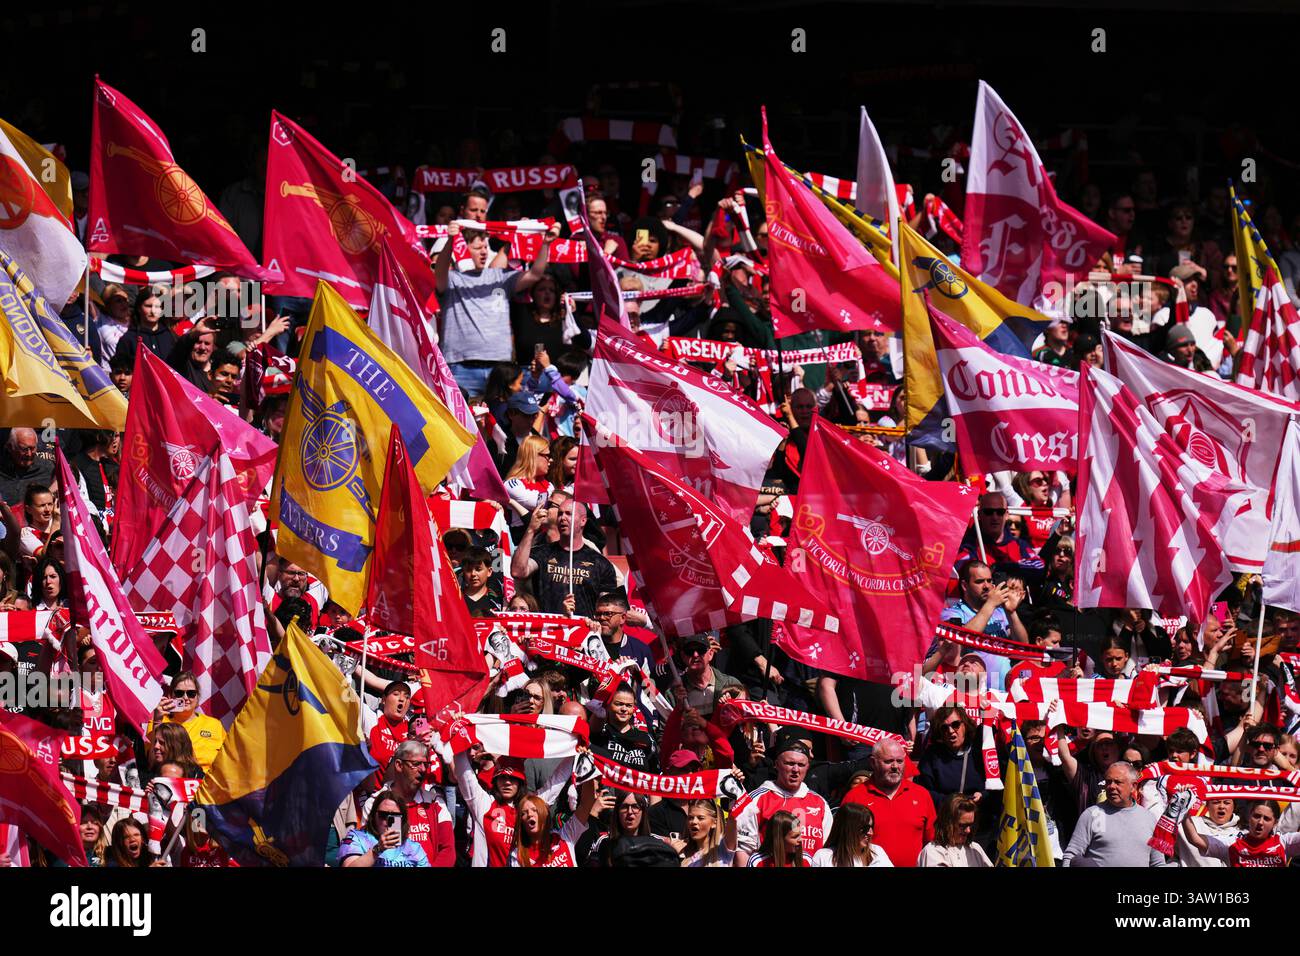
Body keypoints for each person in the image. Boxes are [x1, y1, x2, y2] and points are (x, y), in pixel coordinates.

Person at [435, 220, 560, 398]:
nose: (484, 252)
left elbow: (535, 274)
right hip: (461, 368)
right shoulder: (452, 280)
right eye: (478, 248)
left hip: (500, 368)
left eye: (485, 247)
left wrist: (546, 244)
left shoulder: (500, 277)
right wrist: (450, 240)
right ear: (462, 249)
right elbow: (439, 271)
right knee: (460, 424)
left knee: (501, 423)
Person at [734, 739, 834, 865]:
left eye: (801, 765)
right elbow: (743, 849)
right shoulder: (757, 799)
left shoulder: (820, 803)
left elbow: (827, 852)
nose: (795, 770)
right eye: (789, 763)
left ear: (808, 766)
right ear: (776, 764)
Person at [512, 499, 618, 617]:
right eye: (560, 514)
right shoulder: (543, 552)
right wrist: (531, 530)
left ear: (583, 521)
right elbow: (518, 572)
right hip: (548, 630)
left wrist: (595, 622)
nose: (562, 518)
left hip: (583, 630)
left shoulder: (599, 562)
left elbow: (608, 607)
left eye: (569, 514)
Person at [841, 738, 937, 868]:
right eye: (888, 761)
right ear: (873, 762)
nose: (895, 766)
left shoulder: (921, 795)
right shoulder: (854, 797)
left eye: (900, 761)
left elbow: (931, 843)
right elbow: (843, 845)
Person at [361, 740, 455, 867]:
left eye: (425, 764)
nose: (422, 769)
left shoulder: (435, 803)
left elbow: (448, 850)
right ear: (399, 765)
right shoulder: (375, 803)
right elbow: (363, 848)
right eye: (416, 764)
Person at [941, 560, 1028, 690]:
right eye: (980, 581)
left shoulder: (1000, 612)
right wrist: (991, 604)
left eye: (989, 580)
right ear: (965, 585)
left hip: (1003, 693)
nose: (987, 586)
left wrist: (1011, 612)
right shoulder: (953, 613)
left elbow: (1023, 647)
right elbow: (962, 638)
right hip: (972, 695)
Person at [1061, 762, 1165, 867]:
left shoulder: (1150, 818)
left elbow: (1158, 863)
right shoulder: (1091, 815)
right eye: (1108, 782)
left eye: (1118, 782)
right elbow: (1071, 855)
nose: (1111, 786)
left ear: (1133, 786)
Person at [510, 779, 602, 867]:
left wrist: (588, 773)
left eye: (535, 810)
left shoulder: (565, 836)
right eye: (523, 813)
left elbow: (585, 804)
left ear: (545, 814)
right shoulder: (517, 856)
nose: (530, 814)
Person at [1180, 799, 1300, 867]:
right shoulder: (1232, 843)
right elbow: (1195, 838)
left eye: (1267, 819)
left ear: (1275, 823)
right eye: (1256, 816)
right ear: (1249, 817)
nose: (1260, 822)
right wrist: (1185, 812)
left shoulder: (1284, 842)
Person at [149, 671, 226, 774]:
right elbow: (151, 763)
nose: (185, 698)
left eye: (191, 693)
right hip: (172, 783)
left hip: (208, 785)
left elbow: (227, 760)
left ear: (197, 697)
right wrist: (157, 720)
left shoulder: (215, 725)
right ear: (170, 695)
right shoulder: (159, 721)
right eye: (179, 693)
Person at [340, 790, 430, 868]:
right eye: (383, 815)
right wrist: (377, 850)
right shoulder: (357, 838)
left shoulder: (414, 848)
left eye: (394, 816)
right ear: (373, 815)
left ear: (402, 819)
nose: (387, 821)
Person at [590, 686, 656, 771]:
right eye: (619, 704)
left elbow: (655, 773)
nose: (624, 709)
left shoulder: (646, 738)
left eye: (629, 705)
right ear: (609, 705)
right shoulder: (600, 732)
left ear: (633, 708)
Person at [918, 794, 993, 867]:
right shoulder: (932, 852)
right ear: (947, 823)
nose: (968, 830)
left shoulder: (975, 849)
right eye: (962, 826)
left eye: (970, 825)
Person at [811, 802, 892, 867]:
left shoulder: (877, 853)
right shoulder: (823, 857)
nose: (871, 833)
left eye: (871, 827)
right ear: (848, 829)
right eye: (865, 828)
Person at [366, 680, 410, 792]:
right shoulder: (372, 718)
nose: (402, 699)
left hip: (403, 800)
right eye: (396, 694)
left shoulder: (416, 724)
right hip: (372, 797)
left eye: (407, 696)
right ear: (384, 700)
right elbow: (347, 695)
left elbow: (428, 740)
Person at [504, 434, 553, 532]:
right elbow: (537, 502)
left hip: (543, 538)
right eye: (547, 456)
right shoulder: (512, 484)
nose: (551, 460)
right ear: (534, 456)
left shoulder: (548, 485)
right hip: (520, 539)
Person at [1174, 796, 1239, 868]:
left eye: (1227, 803)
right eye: (1216, 802)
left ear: (1234, 807)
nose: (1221, 806)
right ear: (1207, 805)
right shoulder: (1186, 824)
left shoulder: (1244, 833)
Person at [0, 428, 54, 508]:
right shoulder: (2, 469)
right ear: (10, 447)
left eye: (32, 448)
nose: (29, 454)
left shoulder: (48, 469)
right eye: (24, 449)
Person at [680, 798, 738, 867]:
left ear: (714, 823)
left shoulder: (722, 848)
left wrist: (733, 798)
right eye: (690, 818)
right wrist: (672, 856)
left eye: (701, 818)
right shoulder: (683, 853)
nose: (694, 822)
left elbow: (732, 818)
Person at [745, 810, 810, 867]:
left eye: (800, 835)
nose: (800, 840)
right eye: (795, 836)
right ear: (779, 839)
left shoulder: (806, 859)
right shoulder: (758, 862)